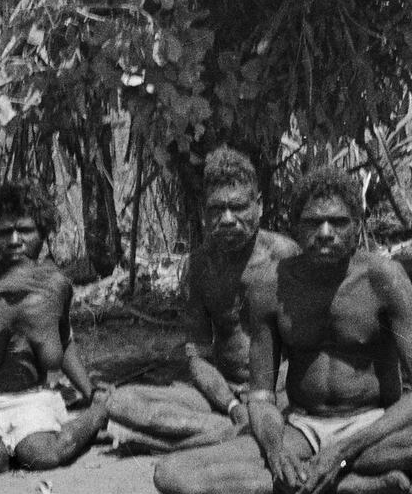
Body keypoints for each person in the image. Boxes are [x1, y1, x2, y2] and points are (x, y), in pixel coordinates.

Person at [154, 165, 412, 494]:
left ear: (358, 226)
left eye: (338, 222)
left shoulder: (384, 279)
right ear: (296, 227)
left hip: (372, 428)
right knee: (172, 475)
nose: (324, 232)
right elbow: (261, 397)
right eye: (312, 222)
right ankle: (350, 484)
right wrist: (276, 450)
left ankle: (326, 471)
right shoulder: (269, 287)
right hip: (302, 428)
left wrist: (345, 449)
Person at [107, 148, 298, 451]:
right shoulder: (199, 266)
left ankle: (191, 439)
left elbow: (311, 344)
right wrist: (232, 406)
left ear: (258, 206)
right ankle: (234, 433)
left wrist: (269, 397)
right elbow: (197, 356)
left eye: (238, 208)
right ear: (203, 211)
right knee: (121, 401)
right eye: (216, 209)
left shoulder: (286, 257)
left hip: (283, 392)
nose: (227, 219)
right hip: (224, 394)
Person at [0, 180, 108, 477]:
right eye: (4, 232)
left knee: (45, 455)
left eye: (25, 230)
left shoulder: (56, 286)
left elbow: (64, 343)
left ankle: (98, 415)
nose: (14, 240)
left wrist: (90, 392)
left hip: (32, 400)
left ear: (42, 233)